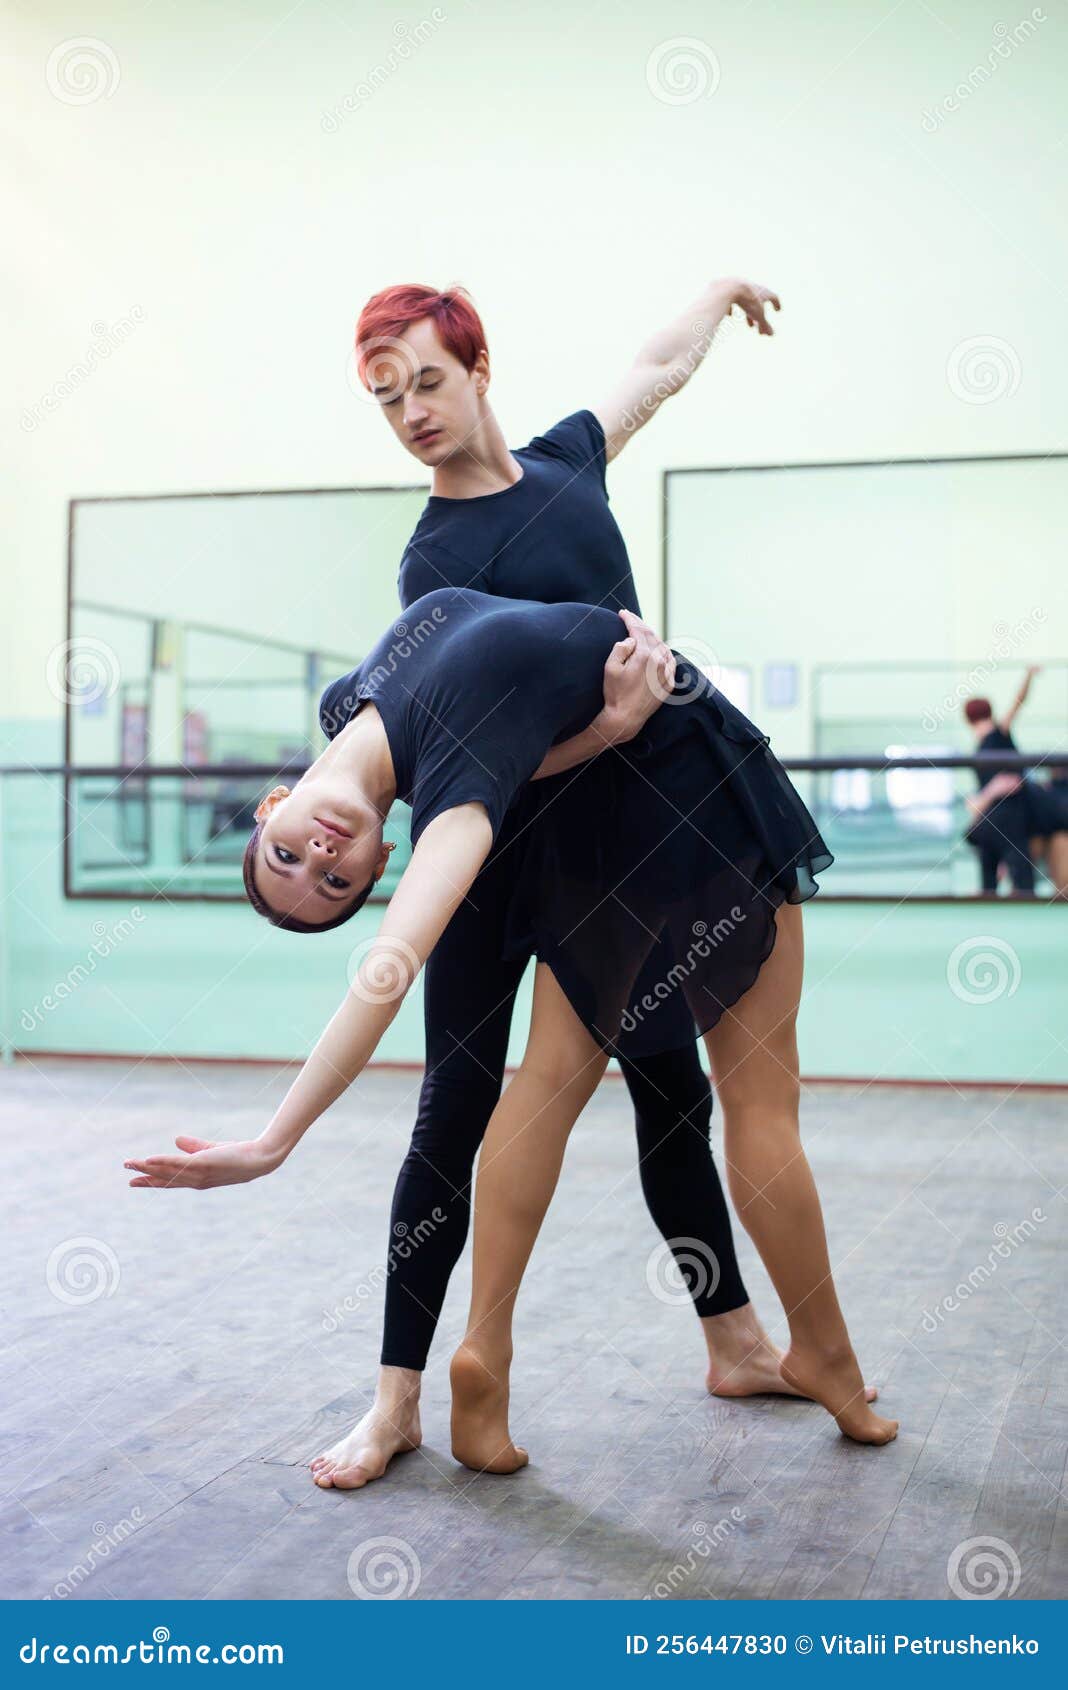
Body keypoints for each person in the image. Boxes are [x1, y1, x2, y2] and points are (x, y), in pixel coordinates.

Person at [125, 580, 898, 1455]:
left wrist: (599, 731)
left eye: (293, 857)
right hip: (686, 779)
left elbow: (510, 704)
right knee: (760, 1099)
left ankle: (486, 1350)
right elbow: (384, 977)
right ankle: (826, 1354)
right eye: (331, 883)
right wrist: (274, 1142)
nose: (322, 857)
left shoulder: (348, 702)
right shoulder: (453, 806)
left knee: (551, 1078)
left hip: (590, 828)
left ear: (270, 808)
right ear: (391, 861)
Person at [306, 277, 820, 1488]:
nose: (412, 413)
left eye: (428, 382)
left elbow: (651, 367)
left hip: (620, 857)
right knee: (456, 1105)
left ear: (479, 370)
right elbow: (469, 736)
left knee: (670, 1093)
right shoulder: (431, 562)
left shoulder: (567, 467)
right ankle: (394, 1401)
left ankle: (736, 1337)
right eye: (387, 401)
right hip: (497, 844)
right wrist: (611, 723)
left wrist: (715, 295)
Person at [963, 668, 1068, 896]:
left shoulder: (997, 735)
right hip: (1010, 817)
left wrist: (1028, 677)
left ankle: (1006, 885)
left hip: (1021, 812)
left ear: (968, 720)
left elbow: (1017, 703)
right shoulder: (983, 748)